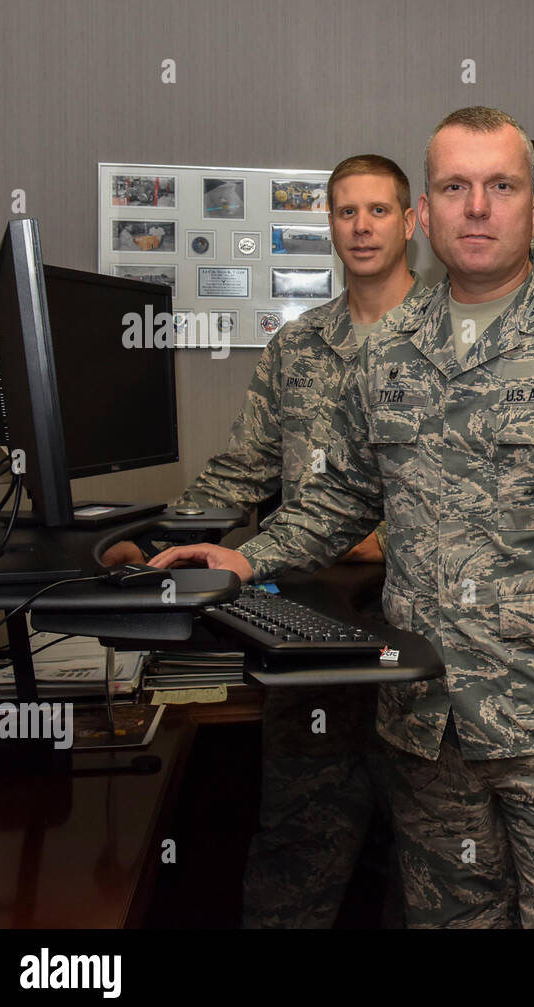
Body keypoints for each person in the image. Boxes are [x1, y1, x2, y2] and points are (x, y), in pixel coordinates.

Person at [151, 106, 534, 928]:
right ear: (426, 212)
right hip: (429, 731)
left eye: (500, 186)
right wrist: (247, 560)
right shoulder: (387, 349)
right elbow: (342, 491)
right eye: (456, 187)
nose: (478, 207)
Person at [118, 154, 424, 927]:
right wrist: (157, 540)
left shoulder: (451, 339)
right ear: (329, 225)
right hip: (311, 642)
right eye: (346, 212)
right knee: (295, 857)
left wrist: (376, 540)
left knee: (426, 871)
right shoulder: (298, 349)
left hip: (426, 649)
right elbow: (244, 469)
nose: (361, 227)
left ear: (412, 220)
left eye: (379, 211)